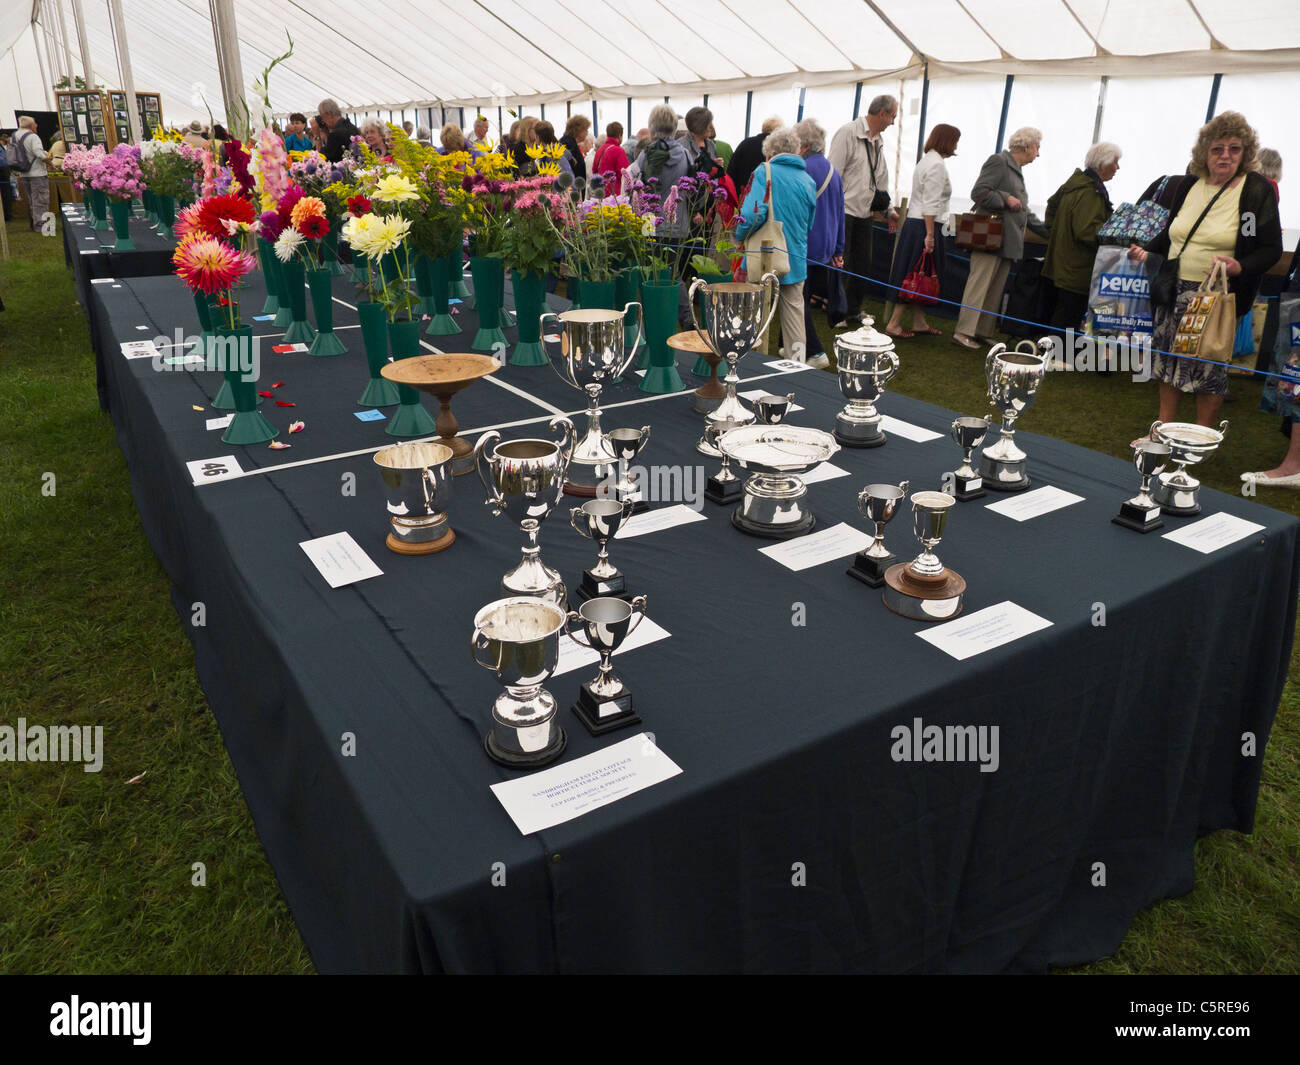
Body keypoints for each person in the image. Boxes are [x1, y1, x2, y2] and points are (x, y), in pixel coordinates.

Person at [1129, 112, 1282, 434]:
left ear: (1246, 152)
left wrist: (1241, 265)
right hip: (1172, 288)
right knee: (1167, 362)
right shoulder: (1188, 185)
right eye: (1217, 148)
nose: (1225, 155)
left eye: (1234, 148)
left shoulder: (1254, 192)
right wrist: (1147, 248)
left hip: (1214, 296)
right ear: (1204, 152)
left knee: (1208, 369)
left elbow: (1267, 248)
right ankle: (1161, 431)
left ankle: (1200, 439)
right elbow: (1174, 231)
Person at [953, 127, 1048, 348]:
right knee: (979, 285)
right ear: (1027, 146)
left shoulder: (1015, 169)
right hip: (991, 238)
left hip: (1006, 241)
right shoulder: (998, 162)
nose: (1038, 153)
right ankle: (964, 331)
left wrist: (1048, 232)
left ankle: (982, 331)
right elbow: (979, 193)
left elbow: (1023, 210)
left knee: (994, 289)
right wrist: (1005, 198)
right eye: (1037, 148)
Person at [735, 127, 817, 363]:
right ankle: (797, 366)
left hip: (764, 255)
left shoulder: (764, 171)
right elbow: (810, 223)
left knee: (753, 313)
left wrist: (740, 235)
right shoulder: (808, 180)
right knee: (794, 315)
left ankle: (751, 364)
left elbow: (753, 214)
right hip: (796, 256)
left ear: (769, 151)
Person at [885, 123, 961, 339]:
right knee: (914, 273)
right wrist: (929, 235)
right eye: (955, 141)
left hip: (916, 224)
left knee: (921, 273)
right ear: (948, 141)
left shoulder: (927, 160)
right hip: (925, 226)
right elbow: (930, 203)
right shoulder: (937, 165)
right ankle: (894, 324)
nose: (956, 146)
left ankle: (919, 322)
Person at [829, 95, 899, 327]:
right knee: (842, 263)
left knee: (862, 265)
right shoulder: (848, 132)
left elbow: (881, 180)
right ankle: (837, 311)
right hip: (844, 211)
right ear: (882, 114)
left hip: (865, 214)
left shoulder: (878, 141)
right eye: (892, 117)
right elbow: (834, 174)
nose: (892, 122)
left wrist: (888, 210)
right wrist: (832, 210)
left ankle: (854, 310)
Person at [1041, 142, 1121, 337]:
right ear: (1104, 163)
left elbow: (1050, 209)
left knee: (1061, 309)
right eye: (1116, 162)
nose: (1118, 168)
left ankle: (1056, 351)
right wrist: (1113, 235)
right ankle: (1058, 354)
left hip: (1061, 259)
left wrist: (1058, 237)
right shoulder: (1091, 192)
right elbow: (1086, 230)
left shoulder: (1073, 185)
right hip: (1078, 265)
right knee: (1069, 311)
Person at [795, 117, 844, 369]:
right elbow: (840, 212)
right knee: (799, 297)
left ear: (803, 144)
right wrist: (838, 248)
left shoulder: (802, 169)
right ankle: (790, 344)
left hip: (804, 244)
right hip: (825, 246)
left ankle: (814, 351)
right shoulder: (833, 171)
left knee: (796, 299)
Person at [727, 115, 782, 195]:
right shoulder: (776, 149)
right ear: (778, 132)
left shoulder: (745, 143)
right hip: (762, 197)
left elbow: (731, 170)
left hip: (740, 195)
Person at [13, 117, 50, 234]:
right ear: (30, 126)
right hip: (37, 172)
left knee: (31, 200)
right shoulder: (33, 137)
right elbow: (39, 154)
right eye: (35, 124)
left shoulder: (14, 136)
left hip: (23, 173)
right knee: (40, 200)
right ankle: (41, 226)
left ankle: (34, 223)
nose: (36, 126)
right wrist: (50, 161)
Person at [318, 98, 360, 163]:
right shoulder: (352, 127)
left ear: (329, 114)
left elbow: (322, 159)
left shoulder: (335, 134)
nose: (322, 121)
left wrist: (316, 136)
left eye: (322, 117)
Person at [592, 121, 629, 195]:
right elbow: (625, 175)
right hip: (615, 195)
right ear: (619, 135)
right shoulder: (619, 151)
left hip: (601, 193)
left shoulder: (600, 150)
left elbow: (594, 171)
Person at [560, 115, 590, 183]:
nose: (587, 132)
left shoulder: (570, 142)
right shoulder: (569, 144)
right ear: (578, 130)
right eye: (585, 129)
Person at [0, 132, 13, 222]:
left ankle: (7, 215)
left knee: (6, 194)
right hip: (3, 172)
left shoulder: (5, 148)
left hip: (4, 172)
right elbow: (3, 162)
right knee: (5, 194)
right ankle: (6, 215)